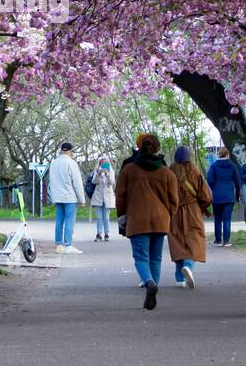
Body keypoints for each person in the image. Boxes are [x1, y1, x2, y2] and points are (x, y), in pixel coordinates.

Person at [115, 133, 178, 310]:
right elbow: (174, 200)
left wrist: (122, 215)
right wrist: (169, 215)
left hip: (137, 219)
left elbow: (120, 195)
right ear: (158, 149)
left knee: (141, 257)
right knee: (156, 257)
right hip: (160, 220)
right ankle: (153, 287)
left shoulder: (129, 169)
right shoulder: (167, 173)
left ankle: (149, 282)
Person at [169, 146, 212, 287]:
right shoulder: (194, 170)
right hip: (193, 210)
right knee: (196, 239)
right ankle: (188, 265)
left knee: (177, 242)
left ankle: (179, 279)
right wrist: (205, 206)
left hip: (174, 211)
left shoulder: (170, 172)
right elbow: (204, 194)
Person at [47, 141, 86, 254]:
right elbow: (77, 182)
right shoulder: (71, 163)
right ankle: (68, 244)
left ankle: (59, 244)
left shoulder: (53, 163)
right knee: (69, 221)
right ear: (70, 151)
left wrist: (53, 197)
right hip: (69, 197)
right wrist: (82, 199)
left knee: (59, 220)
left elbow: (52, 182)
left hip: (57, 197)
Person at [205, 146, 242, 247]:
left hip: (217, 196)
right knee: (227, 219)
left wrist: (214, 187)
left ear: (219, 154)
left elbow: (209, 179)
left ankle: (217, 240)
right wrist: (238, 195)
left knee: (217, 219)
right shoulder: (232, 166)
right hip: (229, 196)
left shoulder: (214, 166)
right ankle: (226, 241)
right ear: (227, 154)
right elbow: (237, 182)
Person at [90, 158, 116, 241]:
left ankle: (107, 233)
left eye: (105, 162)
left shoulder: (110, 170)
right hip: (98, 196)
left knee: (106, 217)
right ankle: (99, 234)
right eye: (102, 162)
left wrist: (107, 174)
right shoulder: (97, 170)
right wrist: (98, 174)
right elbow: (93, 181)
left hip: (107, 196)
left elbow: (112, 182)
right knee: (99, 217)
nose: (103, 163)